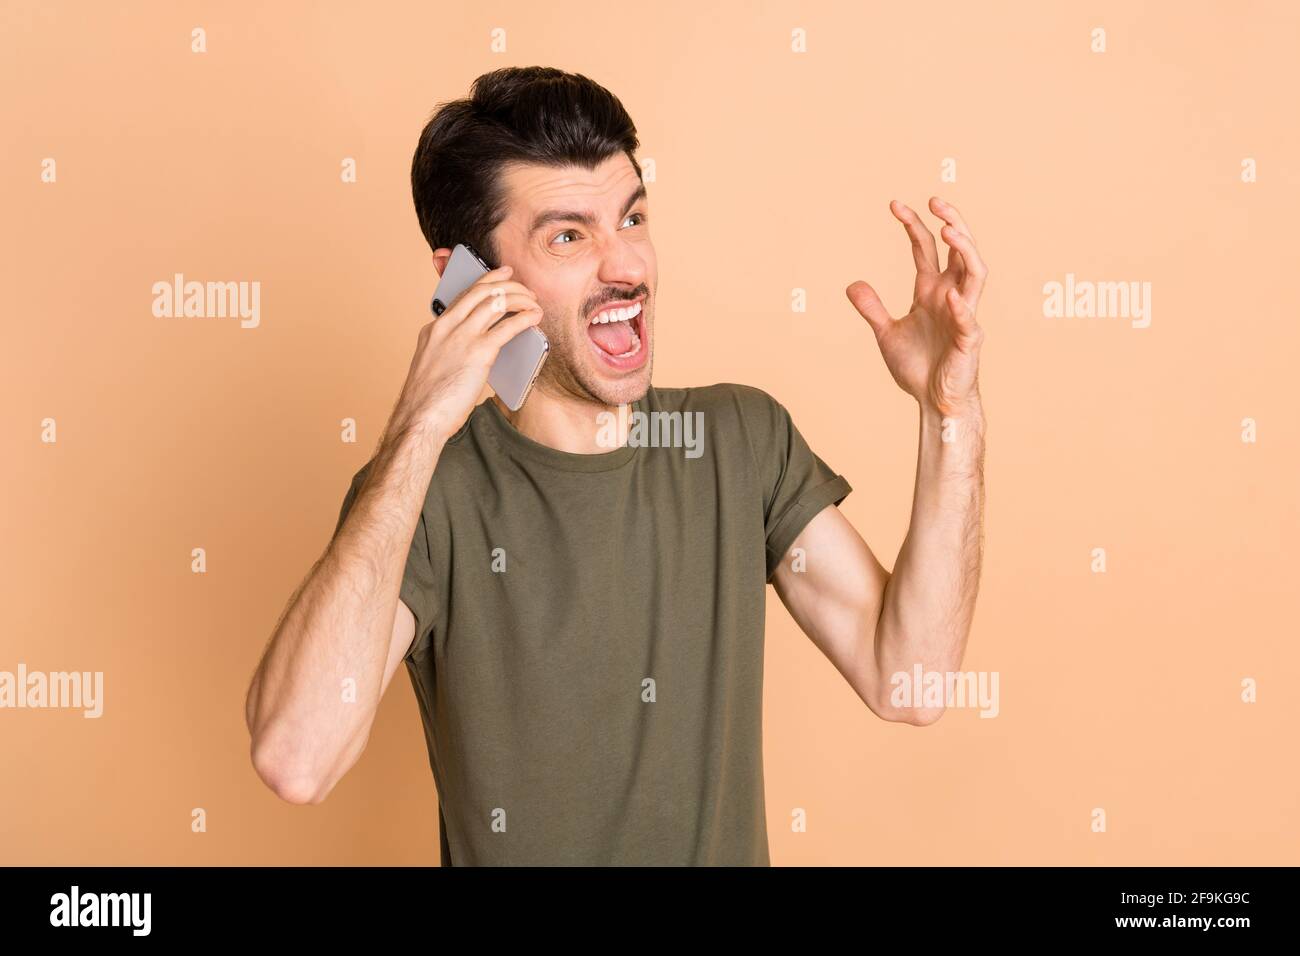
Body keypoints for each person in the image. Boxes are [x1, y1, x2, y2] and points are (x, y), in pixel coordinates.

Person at [244, 66, 989, 866]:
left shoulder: (738, 442)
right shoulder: (421, 498)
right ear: (466, 279)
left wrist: (950, 411)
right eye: (569, 235)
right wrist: (421, 423)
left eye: (631, 218)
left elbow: (910, 680)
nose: (625, 266)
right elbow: (297, 759)